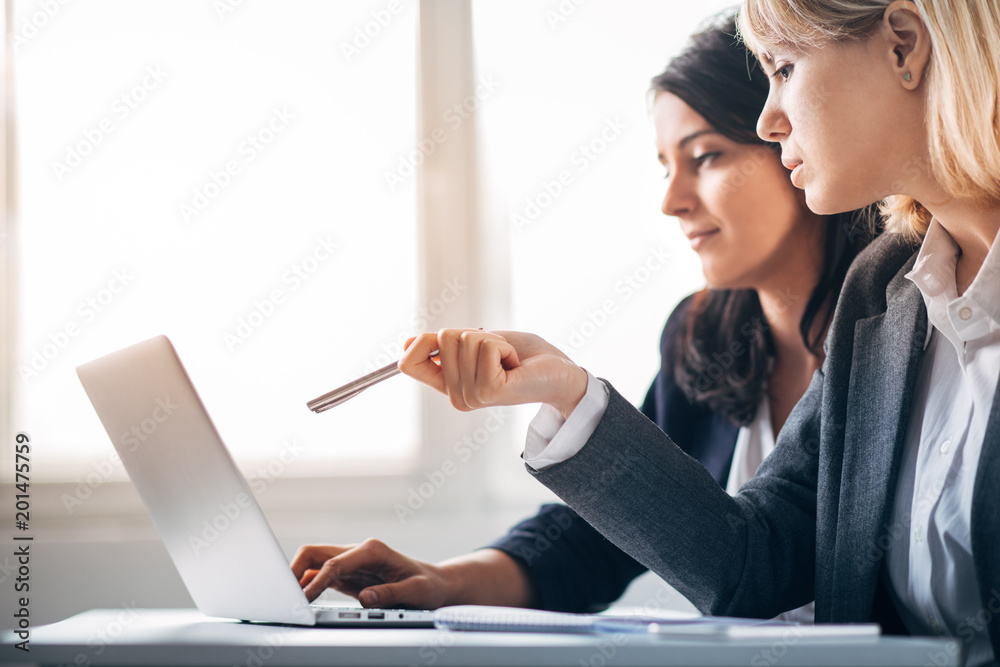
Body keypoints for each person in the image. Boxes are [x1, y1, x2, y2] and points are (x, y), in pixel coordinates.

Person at [390, 1, 1000, 665]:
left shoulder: (864, 289)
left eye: (786, 69)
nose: (772, 120)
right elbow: (751, 561)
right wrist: (569, 393)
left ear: (905, 49)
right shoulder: (884, 294)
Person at [291, 13, 874, 621]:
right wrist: (442, 578)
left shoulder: (899, 325)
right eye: (665, 166)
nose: (672, 201)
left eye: (704, 158)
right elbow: (612, 530)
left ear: (793, 137)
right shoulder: (703, 337)